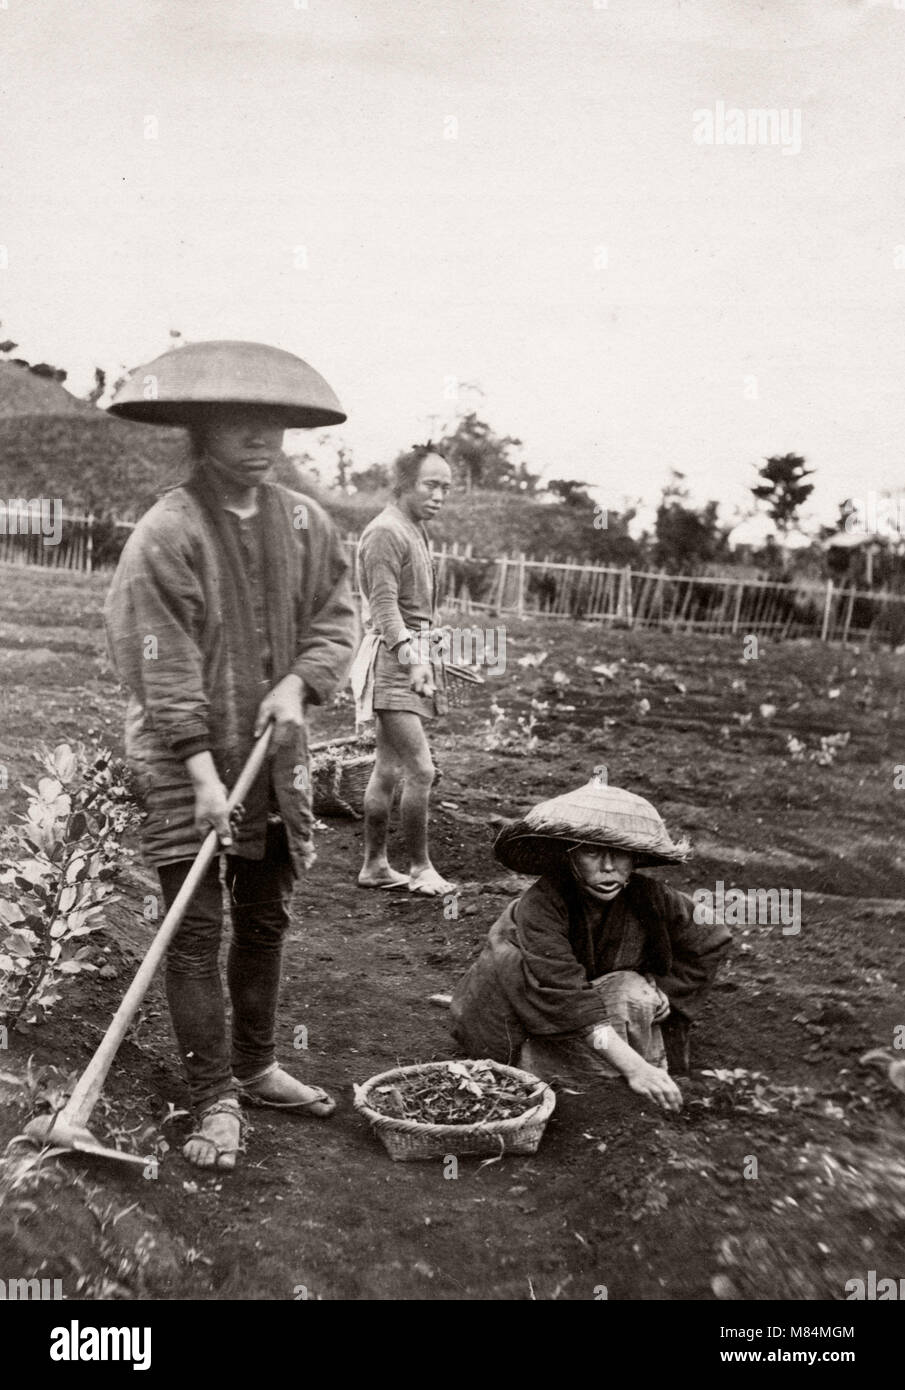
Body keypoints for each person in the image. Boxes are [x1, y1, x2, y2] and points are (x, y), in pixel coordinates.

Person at [104, 340, 357, 1170]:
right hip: (183, 764)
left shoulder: (305, 521)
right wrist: (204, 774)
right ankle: (213, 1097)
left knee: (264, 917)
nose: (260, 439)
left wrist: (301, 681)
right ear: (201, 432)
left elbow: (337, 615)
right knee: (194, 928)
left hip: (274, 754)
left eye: (272, 424)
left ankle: (255, 1066)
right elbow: (161, 662)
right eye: (239, 424)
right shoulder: (167, 532)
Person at [449, 778, 731, 1112]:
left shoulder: (650, 896)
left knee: (637, 993)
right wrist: (636, 1069)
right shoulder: (542, 905)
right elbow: (564, 994)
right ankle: (584, 1081)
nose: (608, 867)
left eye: (620, 853)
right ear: (569, 855)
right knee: (588, 1082)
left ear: (635, 858)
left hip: (590, 1008)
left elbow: (711, 937)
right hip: (522, 1016)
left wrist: (667, 990)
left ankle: (640, 1088)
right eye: (592, 852)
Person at [352, 444, 457, 896]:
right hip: (395, 662)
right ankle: (420, 868)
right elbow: (384, 606)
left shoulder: (413, 529)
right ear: (404, 484)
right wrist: (414, 658)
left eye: (446, 488)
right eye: (431, 485)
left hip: (409, 654)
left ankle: (375, 866)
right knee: (421, 770)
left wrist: (430, 642)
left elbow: (415, 606)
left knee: (388, 768)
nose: (439, 496)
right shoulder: (385, 531)